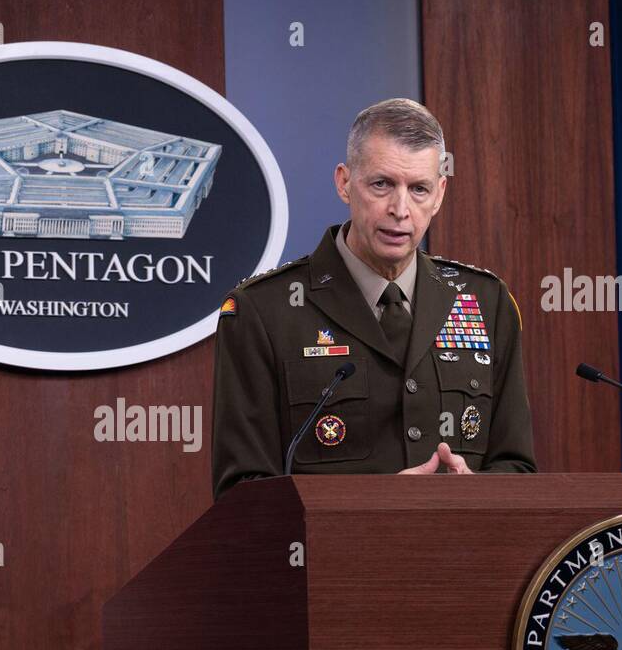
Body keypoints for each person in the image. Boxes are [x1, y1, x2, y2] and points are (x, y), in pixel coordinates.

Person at [211, 98, 536, 499]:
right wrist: (377, 504)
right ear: (344, 183)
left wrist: (471, 491)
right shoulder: (262, 311)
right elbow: (241, 495)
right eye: (381, 184)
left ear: (439, 194)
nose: (400, 209)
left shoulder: (488, 302)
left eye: (419, 189)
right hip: (332, 561)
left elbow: (517, 470)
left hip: (459, 555)